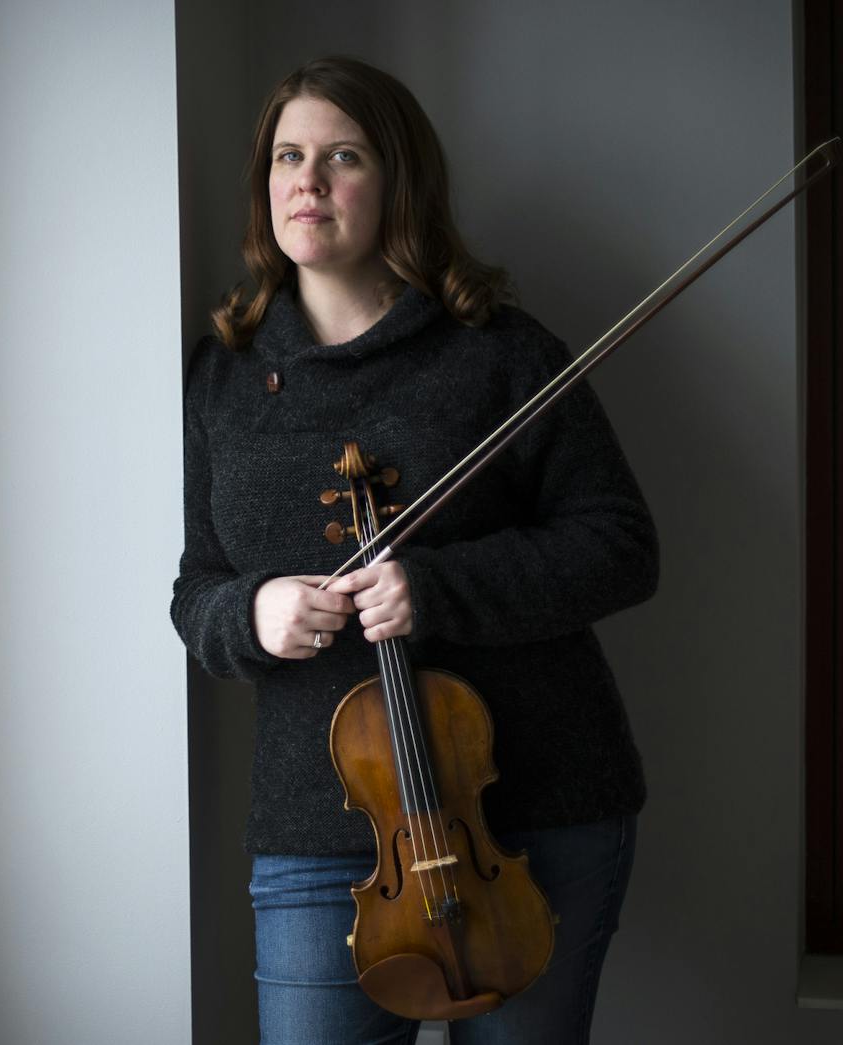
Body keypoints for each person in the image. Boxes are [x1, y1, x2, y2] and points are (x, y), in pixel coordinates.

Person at [170, 57, 657, 1045]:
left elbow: (619, 546)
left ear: (399, 182)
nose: (307, 179)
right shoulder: (224, 375)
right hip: (320, 831)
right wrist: (252, 614)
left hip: (530, 813)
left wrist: (439, 589)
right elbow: (198, 588)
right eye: (288, 156)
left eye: (342, 156)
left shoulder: (500, 352)